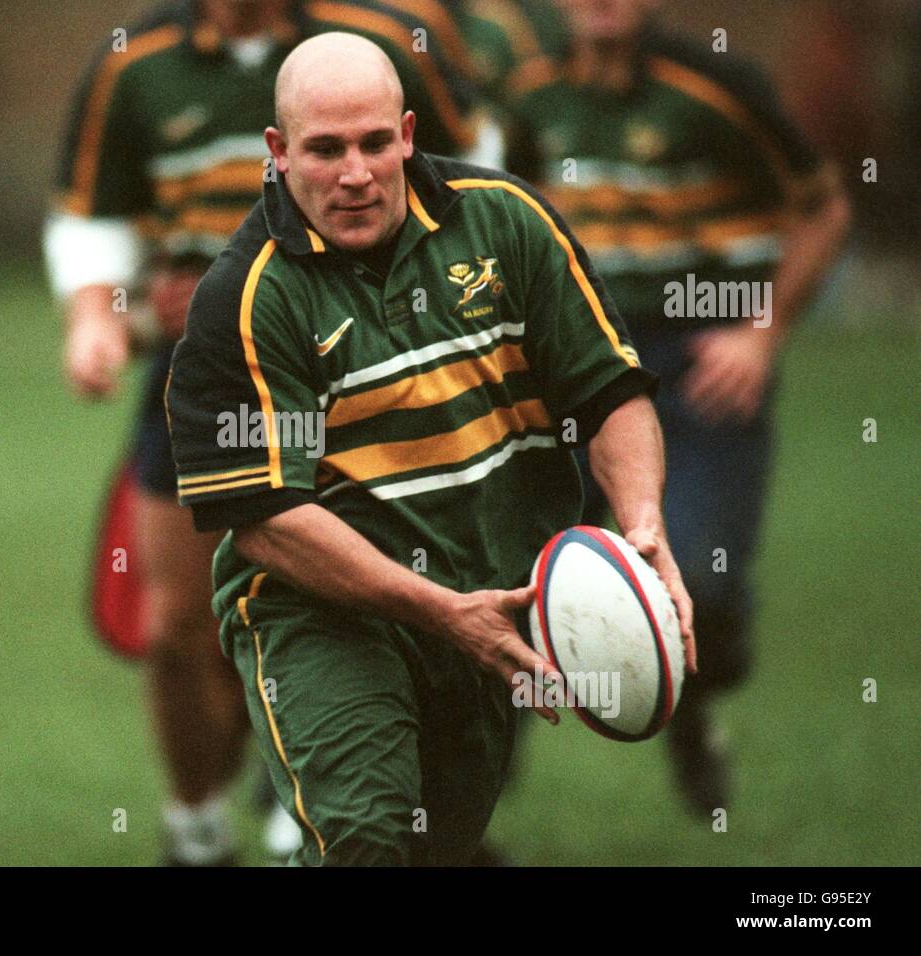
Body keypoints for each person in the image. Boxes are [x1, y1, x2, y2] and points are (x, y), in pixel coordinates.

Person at [166, 30, 696, 865]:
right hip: (323, 612)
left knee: (435, 852)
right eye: (326, 149)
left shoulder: (505, 222)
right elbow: (265, 517)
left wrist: (644, 528)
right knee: (368, 838)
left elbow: (609, 392)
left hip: (488, 595)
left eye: (376, 143)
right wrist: (443, 614)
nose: (356, 173)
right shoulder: (245, 296)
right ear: (277, 152)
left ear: (409, 134)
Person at [46, 0, 477, 865]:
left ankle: (323, 798)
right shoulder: (136, 62)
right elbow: (92, 218)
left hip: (369, 362)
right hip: (200, 372)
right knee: (178, 628)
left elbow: (476, 180)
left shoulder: (383, 42)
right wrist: (101, 319)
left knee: (362, 600)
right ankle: (197, 824)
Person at [497, 0, 851, 815]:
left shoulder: (719, 84)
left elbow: (824, 205)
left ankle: (694, 706)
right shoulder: (529, 94)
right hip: (573, 366)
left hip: (694, 367)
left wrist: (761, 335)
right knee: (521, 574)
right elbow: (507, 217)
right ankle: (487, 765)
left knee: (699, 586)